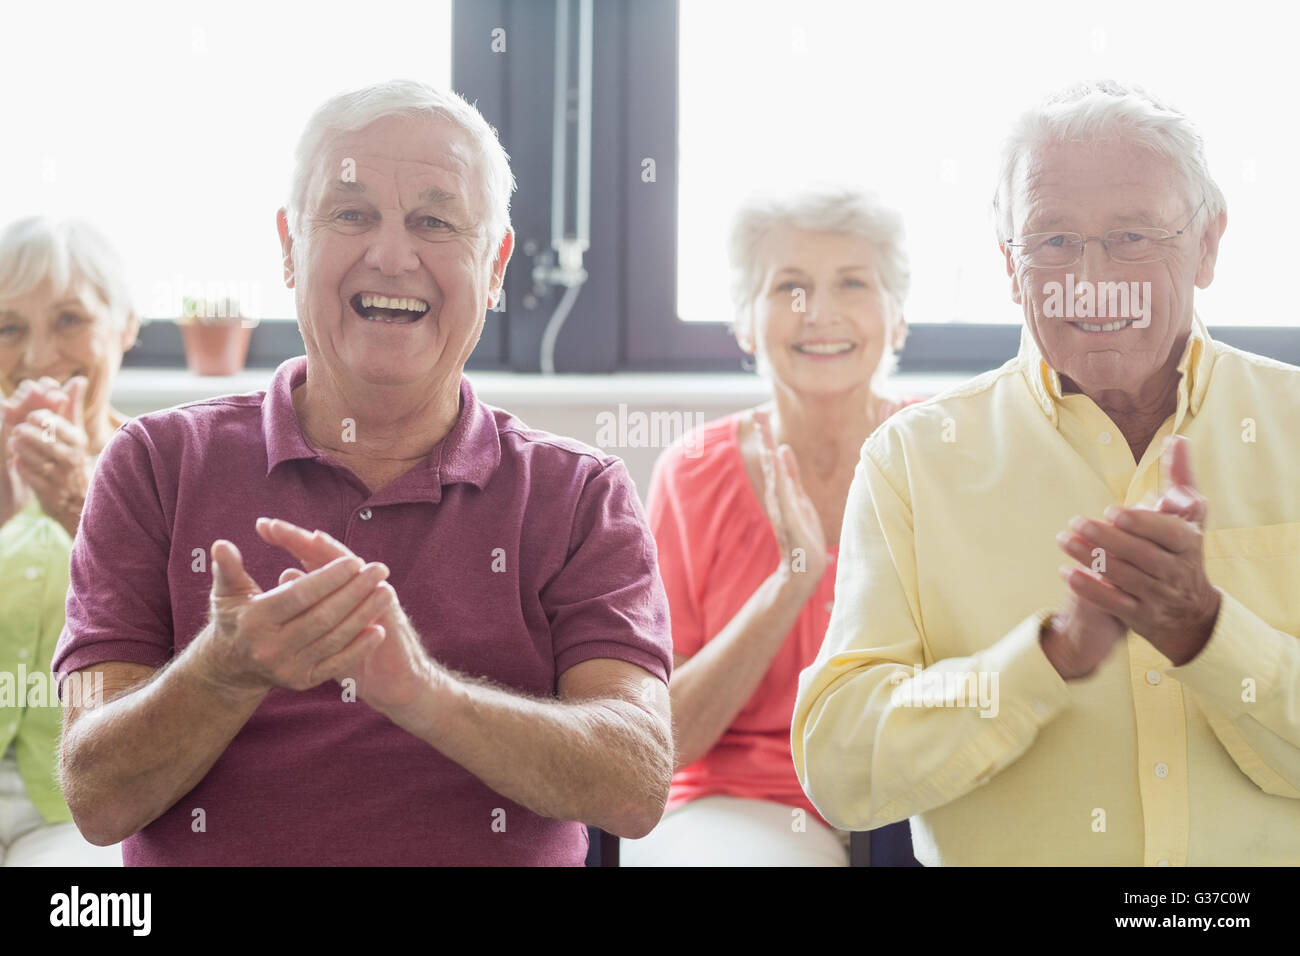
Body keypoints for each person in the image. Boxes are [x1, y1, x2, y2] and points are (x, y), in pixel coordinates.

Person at [51, 79, 674, 866]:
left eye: (435, 221)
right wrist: (225, 671)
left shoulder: (580, 495)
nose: (390, 254)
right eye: (350, 214)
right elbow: (96, 798)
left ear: (495, 265)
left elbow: (636, 782)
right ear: (288, 246)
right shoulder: (151, 465)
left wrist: (426, 696)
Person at [791, 80, 1300, 865]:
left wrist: (1208, 634)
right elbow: (840, 769)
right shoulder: (914, 459)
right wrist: (1048, 657)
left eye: (1133, 235)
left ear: (1207, 245)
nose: (1093, 280)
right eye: (1054, 241)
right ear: (1009, 264)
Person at [622, 188, 916, 865]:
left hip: (917, 789)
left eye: (853, 282)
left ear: (896, 319)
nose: (820, 312)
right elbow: (661, 736)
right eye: (789, 287)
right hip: (745, 801)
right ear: (747, 324)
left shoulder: (948, 453)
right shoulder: (693, 472)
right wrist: (789, 583)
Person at [0, 216, 136, 865]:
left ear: (126, 326)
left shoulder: (169, 476)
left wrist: (83, 508)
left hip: (78, 808)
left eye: (69, 320)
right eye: (9, 328)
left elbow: (196, 650)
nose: (36, 358)